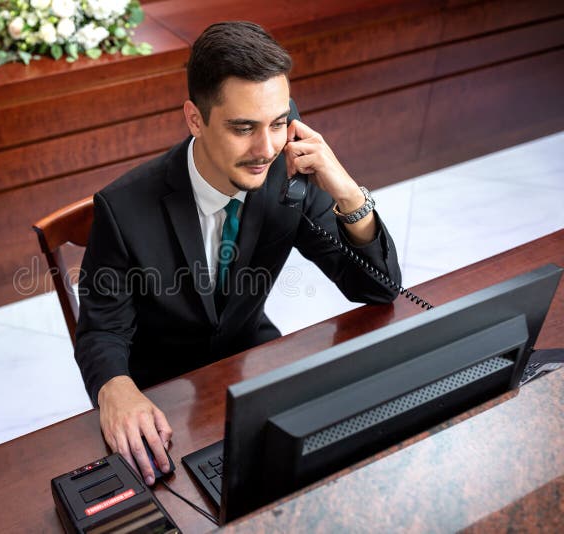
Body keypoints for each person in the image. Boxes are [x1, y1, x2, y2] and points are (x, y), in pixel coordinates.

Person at [74, 21, 401, 486]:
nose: (265, 149)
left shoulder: (288, 176)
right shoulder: (122, 208)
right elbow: (101, 330)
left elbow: (378, 287)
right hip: (162, 395)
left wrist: (346, 191)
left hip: (253, 365)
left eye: (278, 123)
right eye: (243, 128)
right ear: (195, 119)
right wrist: (116, 388)